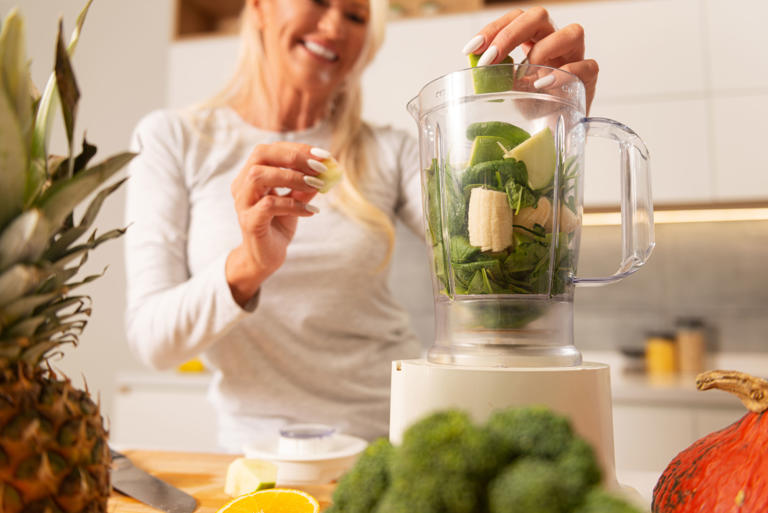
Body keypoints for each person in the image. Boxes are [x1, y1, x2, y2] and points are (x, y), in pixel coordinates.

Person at [124, 0, 598, 451]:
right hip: (255, 449)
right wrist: (249, 264)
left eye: (355, 15)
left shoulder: (392, 152)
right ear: (259, 6)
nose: (334, 27)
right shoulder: (173, 139)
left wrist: (554, 124)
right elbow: (154, 342)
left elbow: (509, 277)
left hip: (395, 437)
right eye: (318, 2)